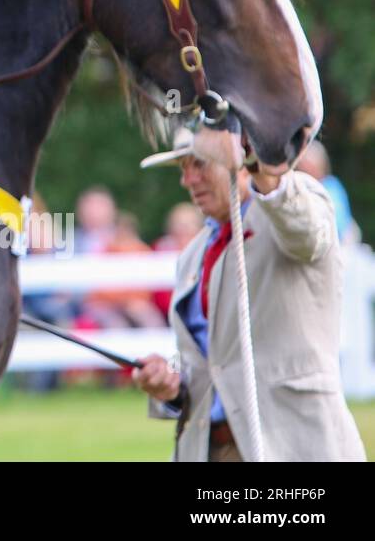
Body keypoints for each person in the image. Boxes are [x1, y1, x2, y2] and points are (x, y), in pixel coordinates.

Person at [131, 126, 366, 462]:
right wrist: (169, 382)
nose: (187, 179)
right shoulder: (192, 256)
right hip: (207, 449)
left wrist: (262, 165)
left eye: (199, 164)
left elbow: (306, 232)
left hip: (292, 448)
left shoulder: (295, 206)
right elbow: (211, 362)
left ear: (242, 161)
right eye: (183, 168)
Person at [297, 139, 358, 245]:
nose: (307, 172)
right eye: (303, 168)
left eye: (310, 168)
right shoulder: (295, 187)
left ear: (321, 167)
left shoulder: (331, 187)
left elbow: (338, 225)